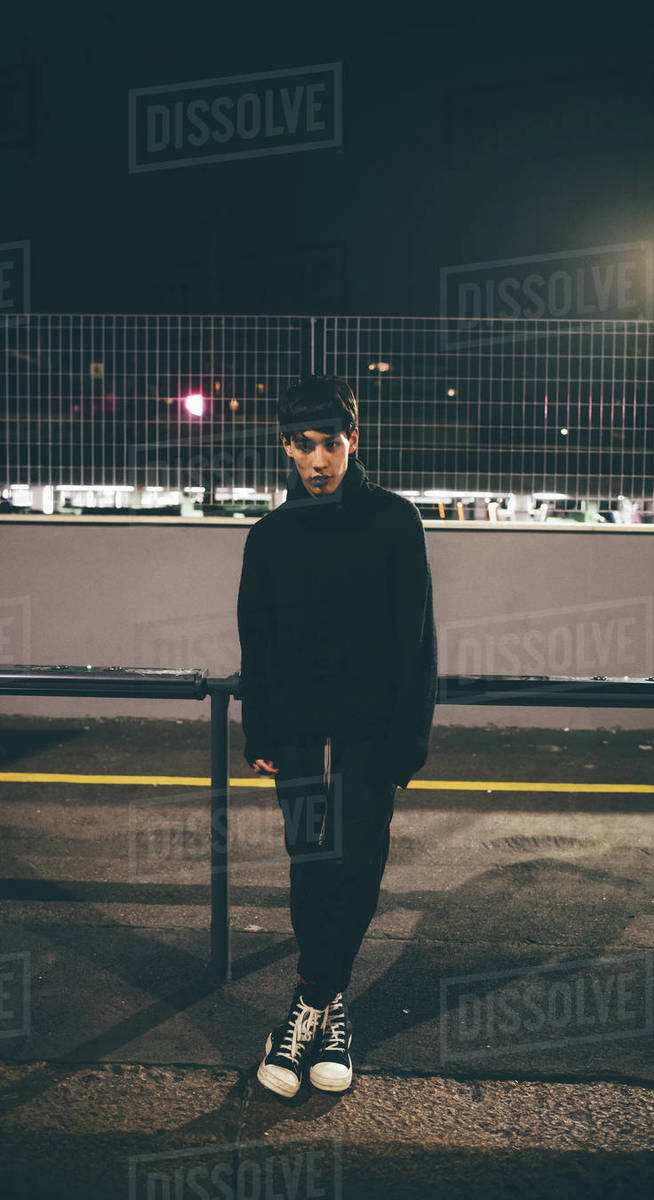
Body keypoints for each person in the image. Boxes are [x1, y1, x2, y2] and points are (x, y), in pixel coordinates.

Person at [236, 374, 437, 1098]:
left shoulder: (394, 520)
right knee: (310, 865)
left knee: (357, 869)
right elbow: (254, 641)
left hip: (370, 736)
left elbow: (418, 642)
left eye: (331, 444)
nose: (318, 460)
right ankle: (331, 1006)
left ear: (355, 440)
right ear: (285, 447)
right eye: (303, 446)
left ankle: (306, 1008)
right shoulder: (271, 535)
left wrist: (407, 742)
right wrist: (258, 727)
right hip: (294, 733)